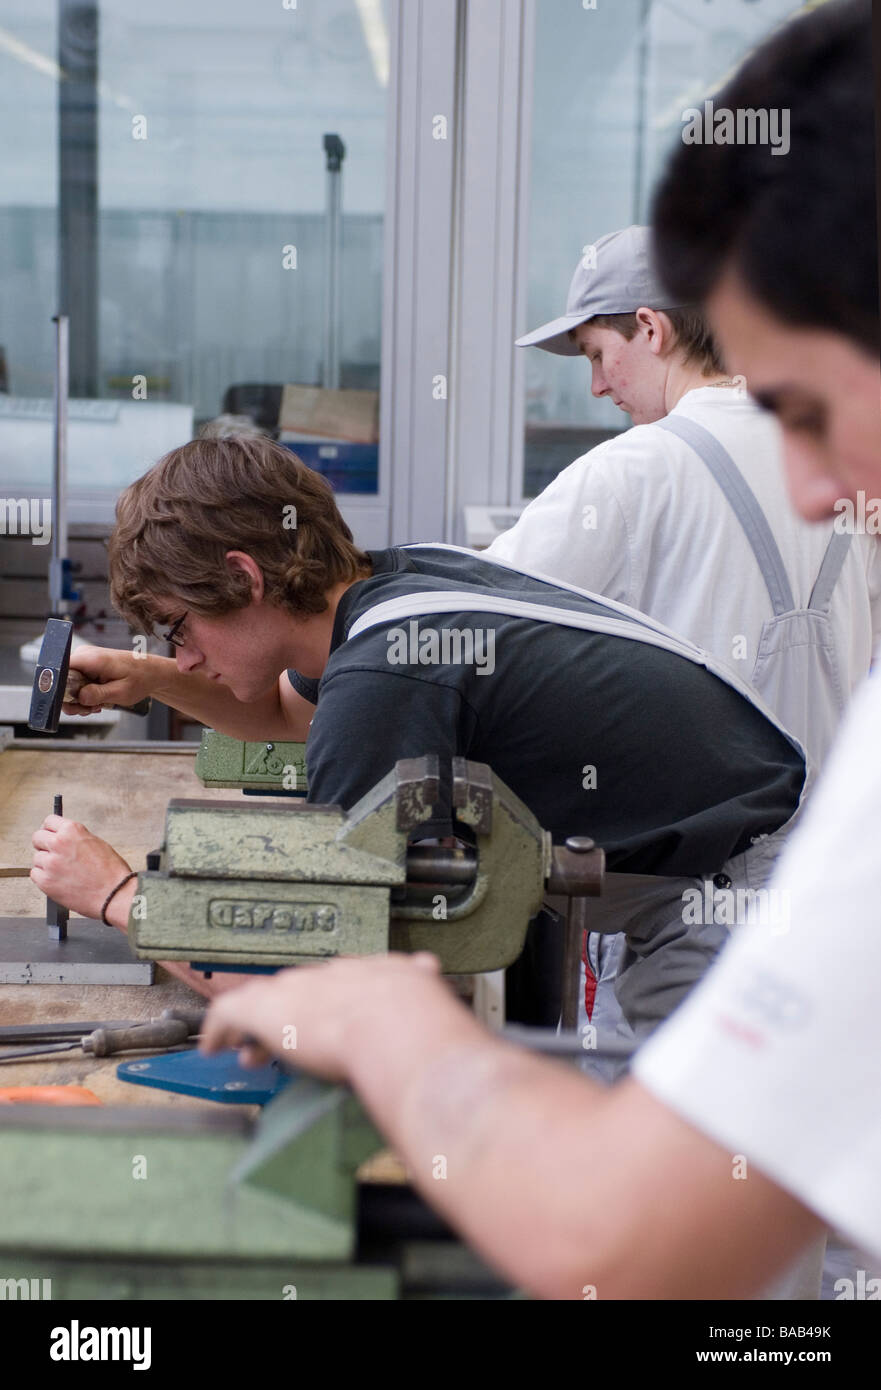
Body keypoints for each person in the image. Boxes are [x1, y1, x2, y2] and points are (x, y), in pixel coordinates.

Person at [196, 0, 881, 1298]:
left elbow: (611, 1240)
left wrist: (390, 1020)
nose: (802, 488)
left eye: (805, 407)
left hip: (737, 904)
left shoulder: (630, 477)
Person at [32, 436, 805, 1032]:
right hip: (723, 871)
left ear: (243, 577)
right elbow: (294, 719)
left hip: (731, 911)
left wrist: (118, 896)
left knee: (686, 1222)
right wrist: (151, 680)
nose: (182, 654)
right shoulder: (389, 597)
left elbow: (309, 987)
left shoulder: (383, 676)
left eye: (177, 628)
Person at [487, 225, 881, 1076]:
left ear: (652, 329)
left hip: (696, 916)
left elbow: (461, 626)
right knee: (788, 1174)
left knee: (654, 1169)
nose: (596, 387)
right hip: (838, 904)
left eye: (598, 354)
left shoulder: (631, 473)